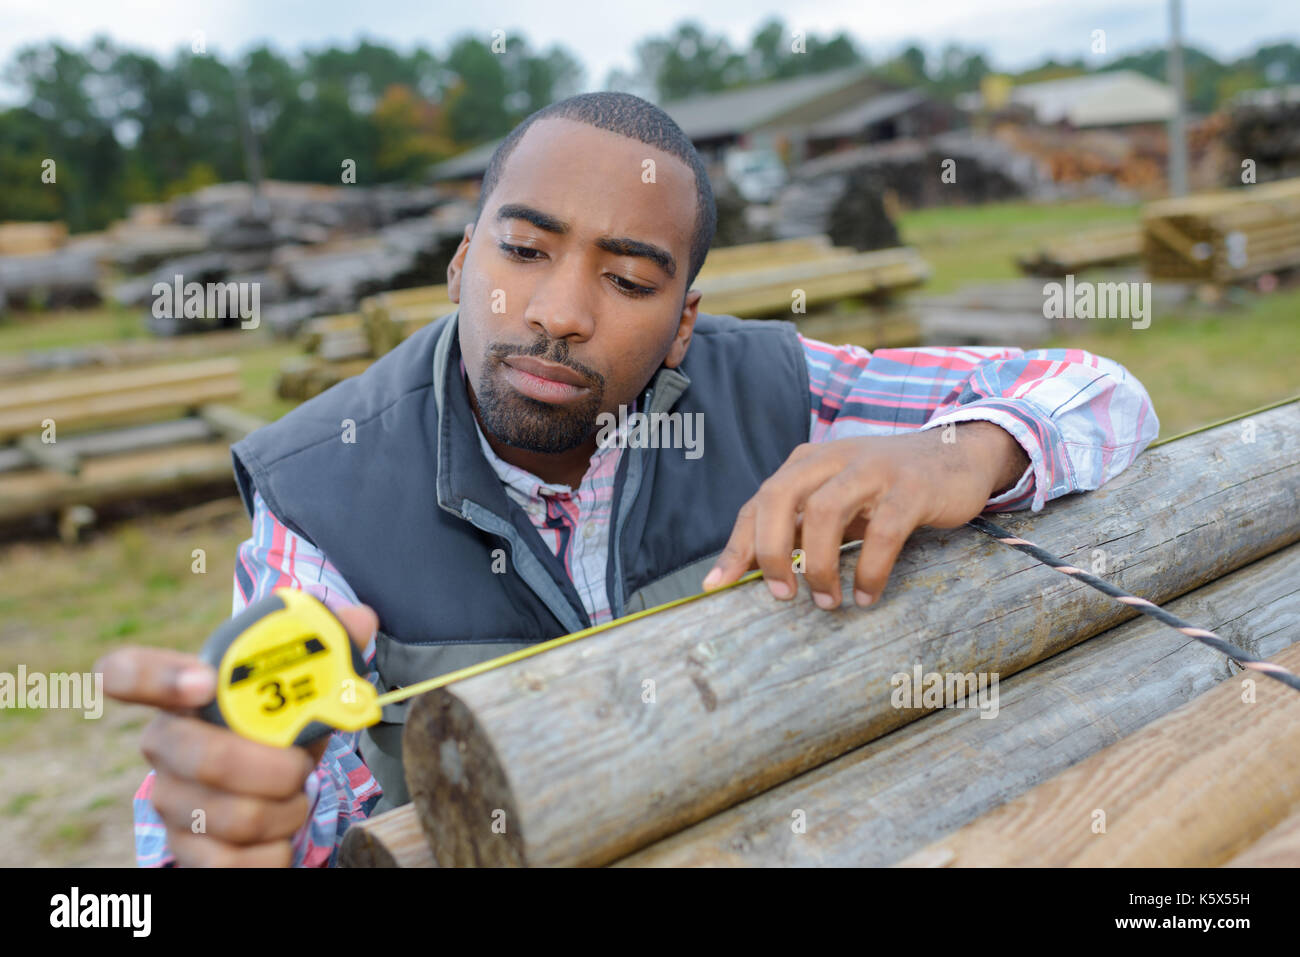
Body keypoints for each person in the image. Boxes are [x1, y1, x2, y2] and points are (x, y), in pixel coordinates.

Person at [99, 92, 1158, 867]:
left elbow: (1100, 390)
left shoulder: (774, 388)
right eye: (524, 251)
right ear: (463, 263)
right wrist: (224, 833)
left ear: (683, 321)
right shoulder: (322, 491)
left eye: (626, 278)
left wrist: (959, 452)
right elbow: (250, 805)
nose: (560, 310)